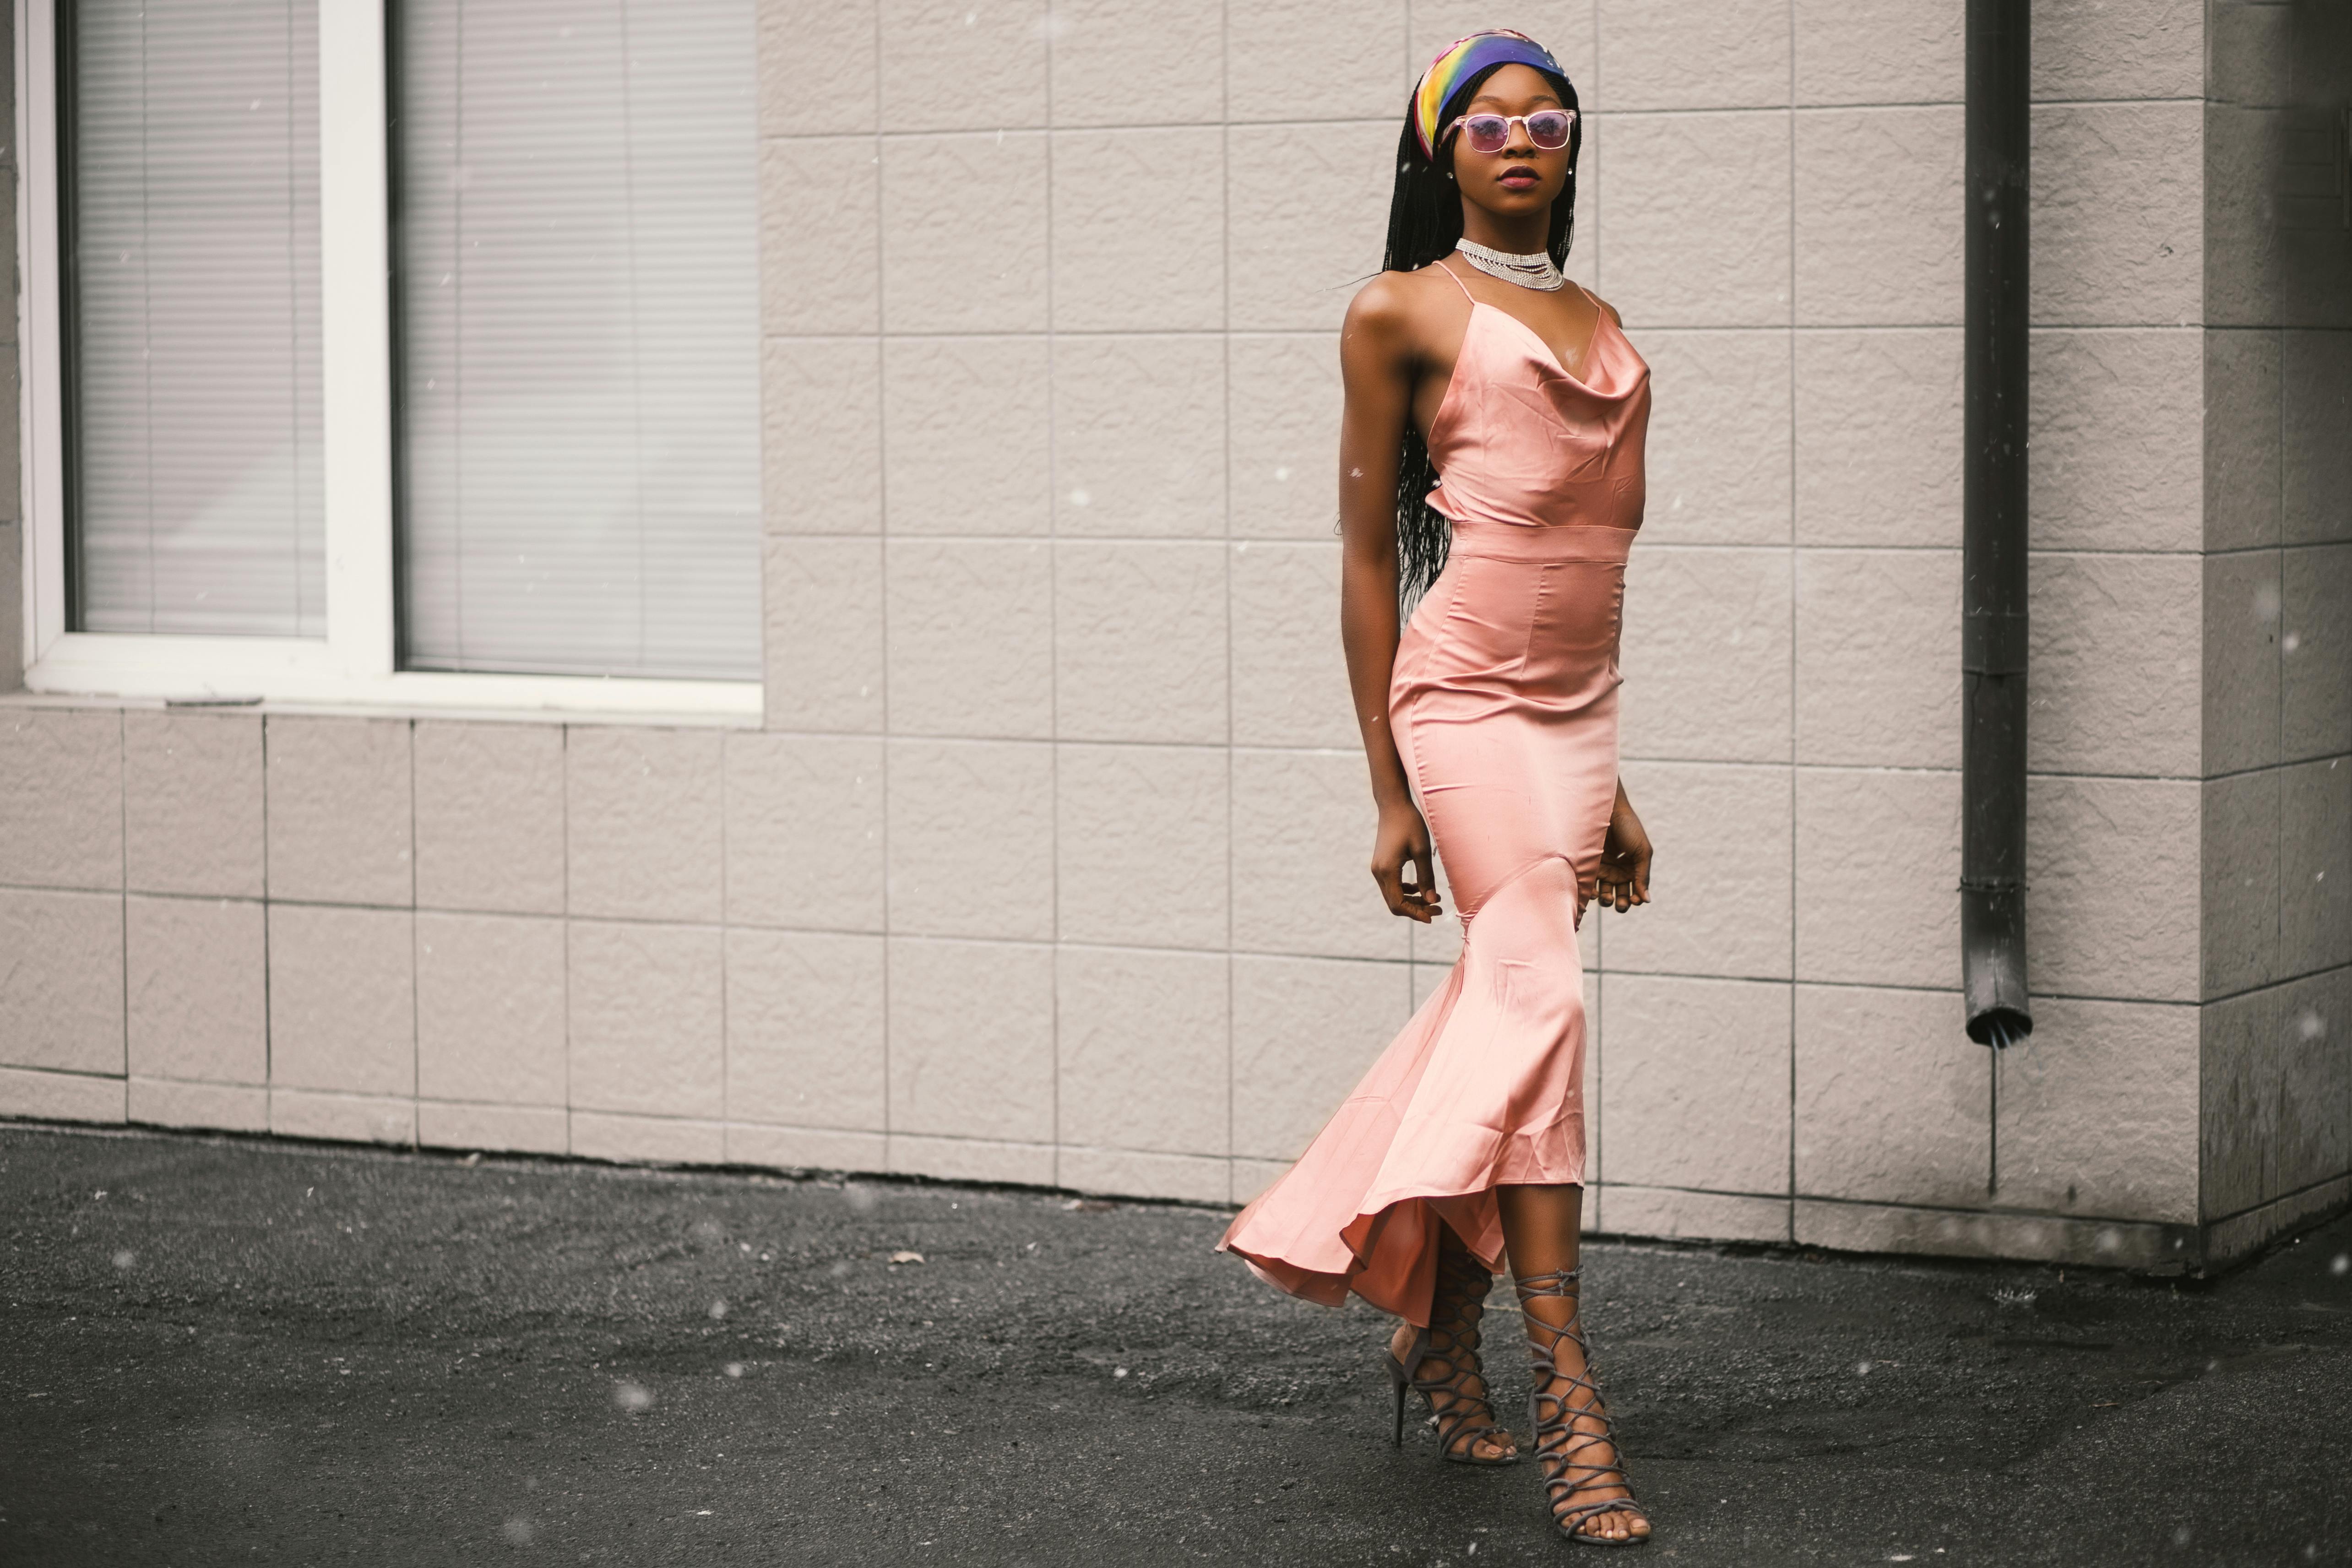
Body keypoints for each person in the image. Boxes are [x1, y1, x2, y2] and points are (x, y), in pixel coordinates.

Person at [1218, 30, 1655, 1548]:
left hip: (1576, 720)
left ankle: (1438, 1329)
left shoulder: (1601, 321)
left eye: (1548, 120)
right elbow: (1363, 555)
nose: (1521, 139)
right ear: (1440, 153)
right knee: (1543, 1000)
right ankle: (1570, 1394)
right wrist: (1387, 787)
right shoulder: (1399, 310)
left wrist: (1616, 782)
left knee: (1509, 1030)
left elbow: (1584, 577)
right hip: (1460, 701)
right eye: (1488, 122)